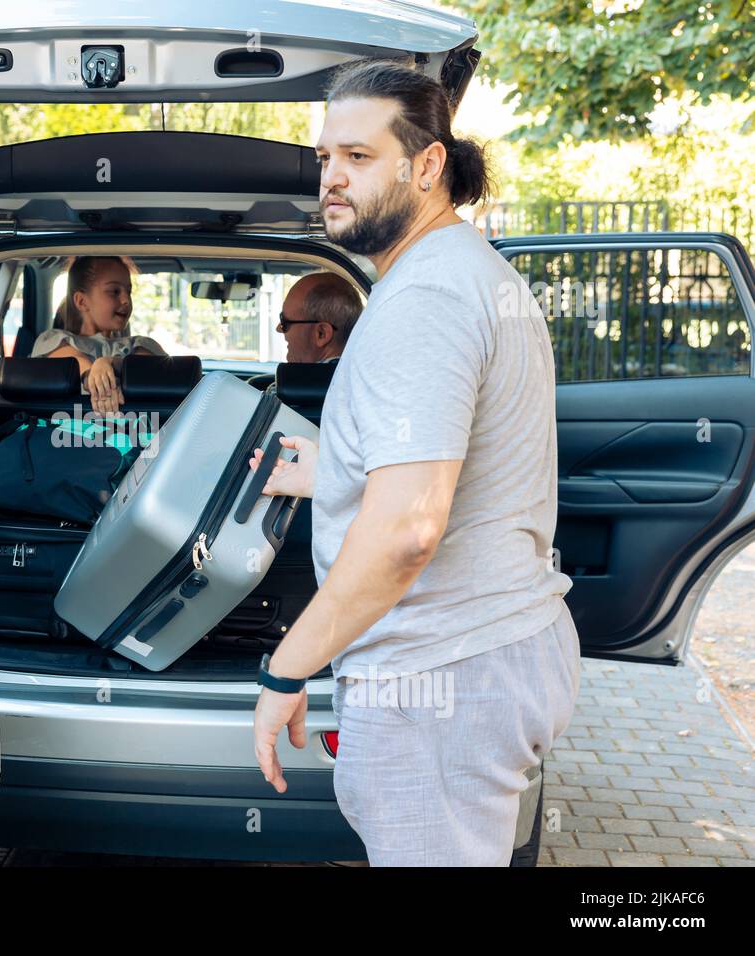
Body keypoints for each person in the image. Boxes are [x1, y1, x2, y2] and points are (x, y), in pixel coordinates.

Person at [248, 60, 579, 866]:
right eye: (326, 157)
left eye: (359, 158)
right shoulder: (461, 273)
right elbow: (447, 474)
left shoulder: (424, 303)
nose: (332, 177)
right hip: (481, 656)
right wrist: (335, 471)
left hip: (443, 673)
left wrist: (287, 669)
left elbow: (407, 532)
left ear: (427, 166)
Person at [31, 255, 166, 413]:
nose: (126, 300)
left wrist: (109, 363)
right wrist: (94, 376)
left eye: (128, 291)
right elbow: (76, 365)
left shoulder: (139, 343)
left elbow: (146, 366)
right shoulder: (54, 340)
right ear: (82, 301)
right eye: (114, 291)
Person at [277, 272, 364, 364]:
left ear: (321, 334)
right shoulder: (357, 372)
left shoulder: (306, 378)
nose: (279, 328)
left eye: (285, 322)